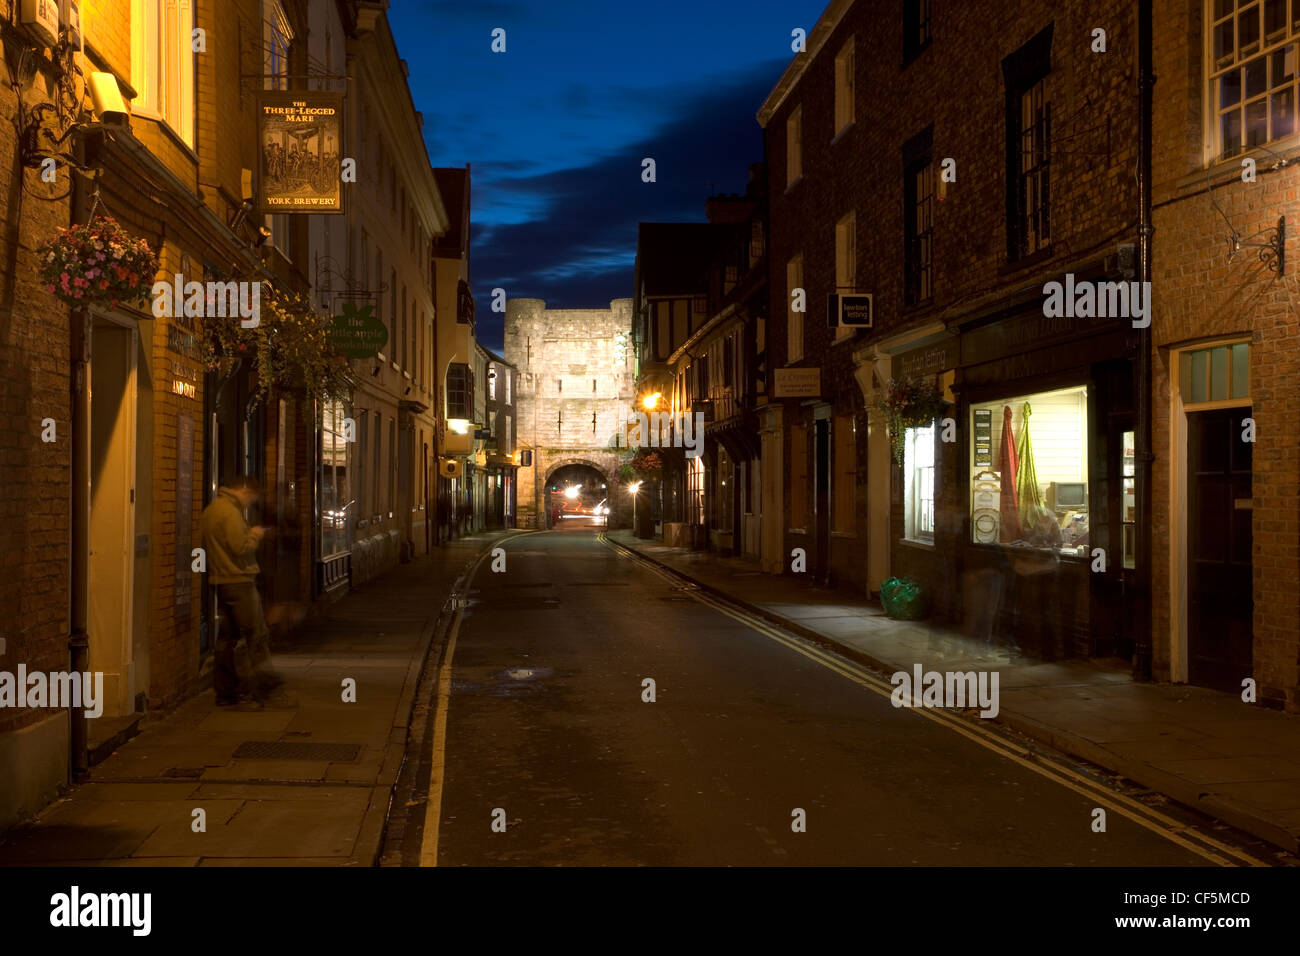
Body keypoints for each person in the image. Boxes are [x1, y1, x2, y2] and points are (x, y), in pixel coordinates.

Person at [199, 476, 278, 710]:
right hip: (239, 581)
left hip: (220, 580)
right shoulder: (230, 513)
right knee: (254, 636)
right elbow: (240, 546)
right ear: (243, 490)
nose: (250, 502)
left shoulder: (212, 510)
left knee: (226, 639)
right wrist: (255, 533)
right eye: (250, 497)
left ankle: (225, 694)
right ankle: (257, 691)